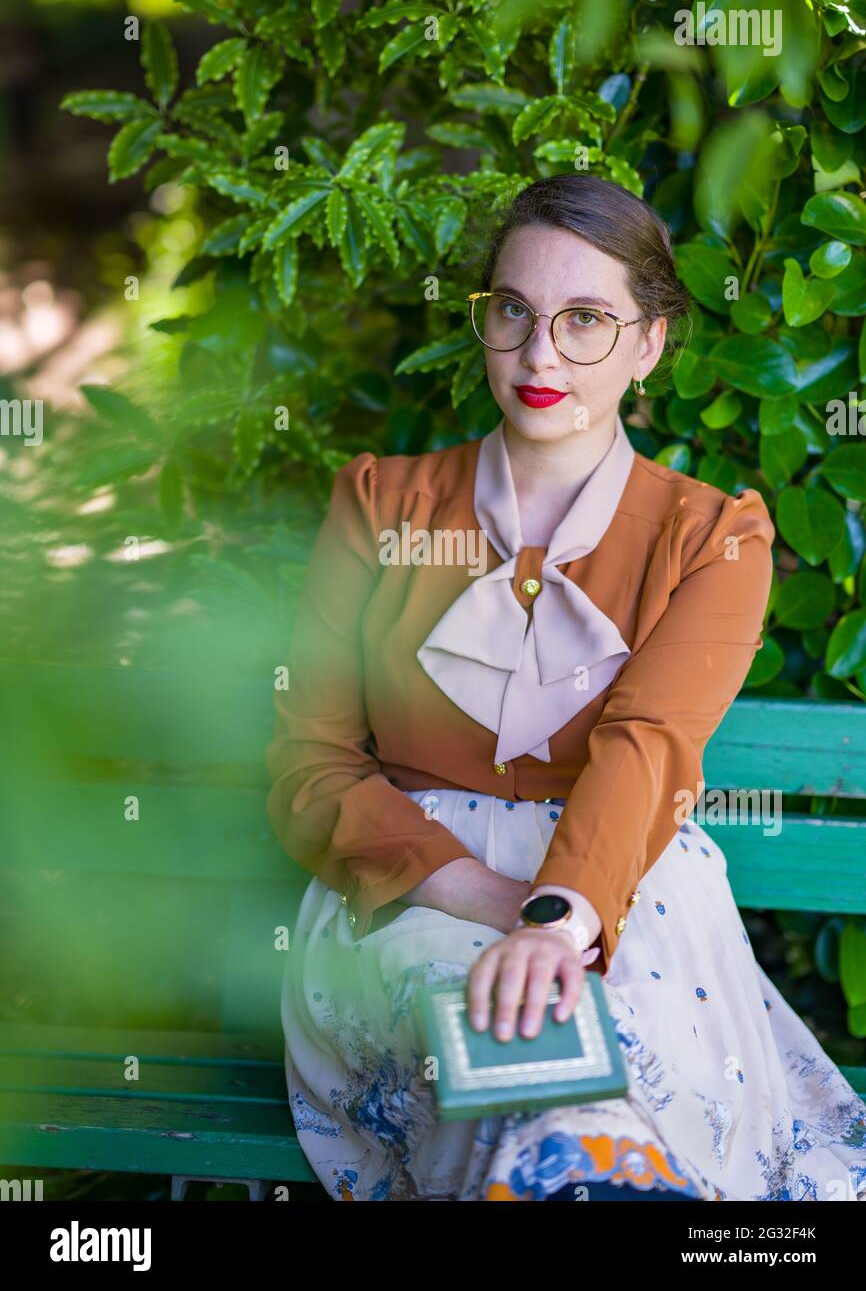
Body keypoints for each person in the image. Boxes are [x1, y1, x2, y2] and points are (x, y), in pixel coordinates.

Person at [265, 173, 866, 1203]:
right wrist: (490, 901)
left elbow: (646, 745)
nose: (541, 353)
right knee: (467, 1019)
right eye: (513, 311)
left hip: (626, 881)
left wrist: (557, 917)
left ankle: (588, 1173)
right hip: (405, 888)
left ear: (649, 343)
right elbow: (307, 765)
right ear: (484, 323)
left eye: (586, 319)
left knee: (614, 1030)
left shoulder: (711, 539)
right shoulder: (379, 503)